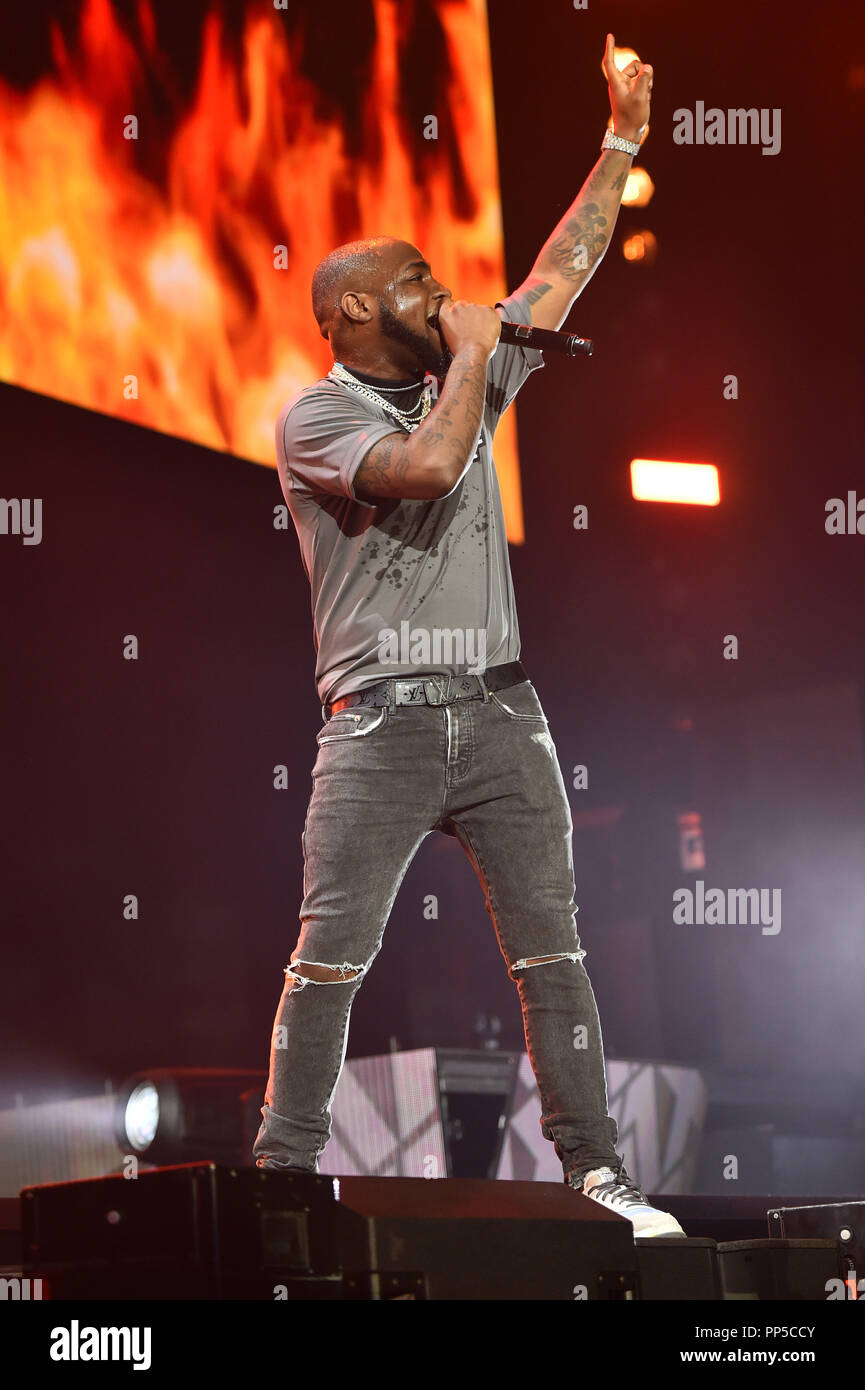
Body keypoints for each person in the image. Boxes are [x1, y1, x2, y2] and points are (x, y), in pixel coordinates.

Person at [254, 34, 686, 1238]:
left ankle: (596, 1174)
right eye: (414, 281)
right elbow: (430, 466)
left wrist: (621, 140)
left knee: (553, 955)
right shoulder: (316, 418)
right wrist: (476, 352)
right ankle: (279, 1181)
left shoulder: (470, 367)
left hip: (501, 713)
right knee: (328, 957)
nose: (440, 292)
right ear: (350, 312)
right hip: (377, 726)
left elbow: (561, 269)